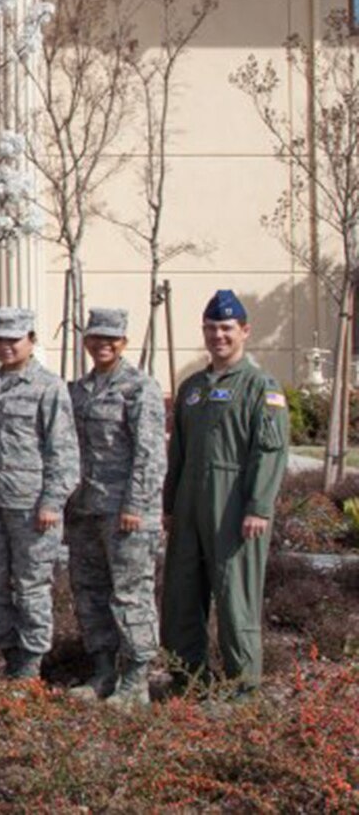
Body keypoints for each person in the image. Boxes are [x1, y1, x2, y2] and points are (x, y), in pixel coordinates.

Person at [162, 289, 289, 700]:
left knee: (235, 598)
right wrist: (170, 506)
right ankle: (189, 680)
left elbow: (269, 451)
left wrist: (258, 507)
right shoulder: (193, 388)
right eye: (211, 327)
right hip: (189, 506)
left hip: (234, 507)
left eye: (226, 328)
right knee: (181, 595)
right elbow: (177, 451)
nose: (218, 335)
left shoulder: (259, 387)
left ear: (245, 331)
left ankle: (242, 690)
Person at [0, 307, 79, 682]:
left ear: (31, 341)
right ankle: (11, 655)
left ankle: (30, 668)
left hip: (31, 507)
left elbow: (63, 451)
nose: (6, 346)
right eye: (0, 339)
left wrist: (52, 501)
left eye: (14, 339)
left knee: (31, 589)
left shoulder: (49, 387)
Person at [66, 306, 168, 708]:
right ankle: (103, 670)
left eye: (111, 339)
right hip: (86, 509)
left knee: (130, 593)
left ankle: (136, 679)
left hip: (126, 512)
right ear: (87, 341)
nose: (102, 345)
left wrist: (136, 505)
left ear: (124, 343)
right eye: (96, 338)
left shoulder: (139, 388)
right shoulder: (79, 390)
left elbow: (149, 453)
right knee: (90, 590)